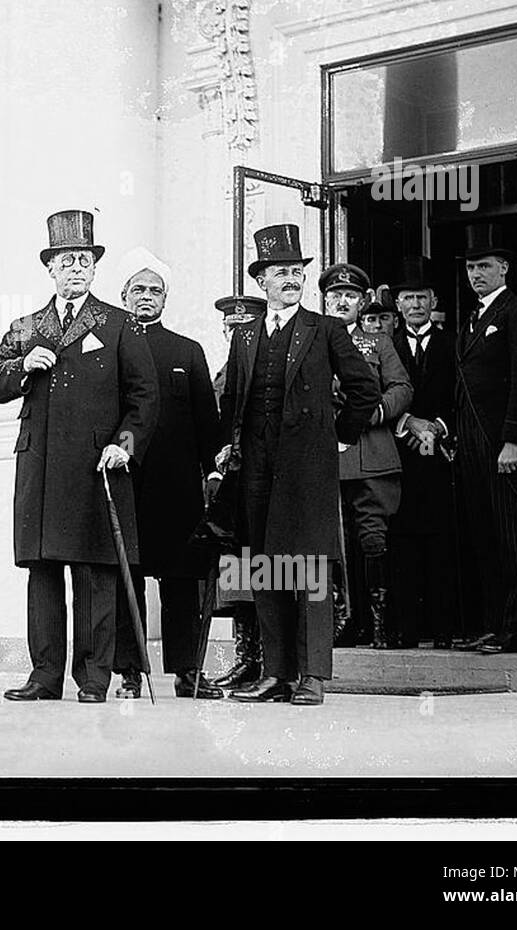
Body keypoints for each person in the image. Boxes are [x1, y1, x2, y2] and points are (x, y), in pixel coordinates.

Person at [0, 211, 159, 703]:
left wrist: (122, 446)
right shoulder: (27, 326)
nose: (76, 268)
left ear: (94, 269)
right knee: (42, 574)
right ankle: (43, 677)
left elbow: (145, 398)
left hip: (96, 467)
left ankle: (94, 678)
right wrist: (22, 365)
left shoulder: (120, 324)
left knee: (95, 575)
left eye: (84, 260)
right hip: (39, 467)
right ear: (51, 269)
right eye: (66, 260)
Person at [219, 225, 379, 706]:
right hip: (257, 468)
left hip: (307, 466)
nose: (290, 279)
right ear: (262, 280)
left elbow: (364, 389)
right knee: (266, 567)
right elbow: (232, 401)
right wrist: (225, 449)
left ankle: (312, 676)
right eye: (279, 272)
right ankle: (276, 673)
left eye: (296, 271)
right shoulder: (245, 335)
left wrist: (338, 437)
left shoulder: (324, 328)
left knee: (308, 568)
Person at [110, 249, 221, 699]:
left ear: (165, 298)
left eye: (155, 291)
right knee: (126, 579)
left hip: (177, 487)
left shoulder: (186, 351)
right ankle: (130, 672)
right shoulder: (110, 348)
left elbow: (207, 422)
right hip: (128, 481)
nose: (147, 297)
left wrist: (215, 471)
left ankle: (187, 670)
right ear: (123, 294)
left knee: (182, 583)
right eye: (138, 289)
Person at [321, 264, 413, 649]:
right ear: (325, 299)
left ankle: (380, 623)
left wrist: (375, 412)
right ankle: (342, 620)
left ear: (362, 302)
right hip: (324, 455)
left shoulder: (377, 343)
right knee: (328, 541)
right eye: (336, 295)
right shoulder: (309, 341)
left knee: (373, 539)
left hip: (371, 452)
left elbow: (402, 387)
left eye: (351, 296)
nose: (343, 301)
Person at [453, 227, 517, 654]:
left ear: (504, 268)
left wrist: (513, 439)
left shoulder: (514, 311)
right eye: (471, 267)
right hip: (469, 441)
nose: (476, 274)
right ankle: (493, 625)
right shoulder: (474, 314)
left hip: (498, 439)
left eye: (484, 266)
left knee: (510, 535)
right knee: (483, 535)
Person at [387, 256, 460, 649]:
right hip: (397, 457)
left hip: (440, 456)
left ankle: (445, 628)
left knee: (440, 540)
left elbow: (462, 397)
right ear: (398, 304)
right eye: (408, 298)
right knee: (403, 540)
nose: (415, 304)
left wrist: (437, 427)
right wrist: (408, 423)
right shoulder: (388, 347)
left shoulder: (454, 343)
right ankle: (406, 629)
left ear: (433, 300)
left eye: (421, 297)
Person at [208, 293, 266, 690]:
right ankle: (247, 658)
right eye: (230, 328)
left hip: (261, 482)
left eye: (241, 328)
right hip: (230, 485)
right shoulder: (223, 371)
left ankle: (268, 660)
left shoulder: (264, 364)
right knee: (238, 573)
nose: (235, 334)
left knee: (272, 572)